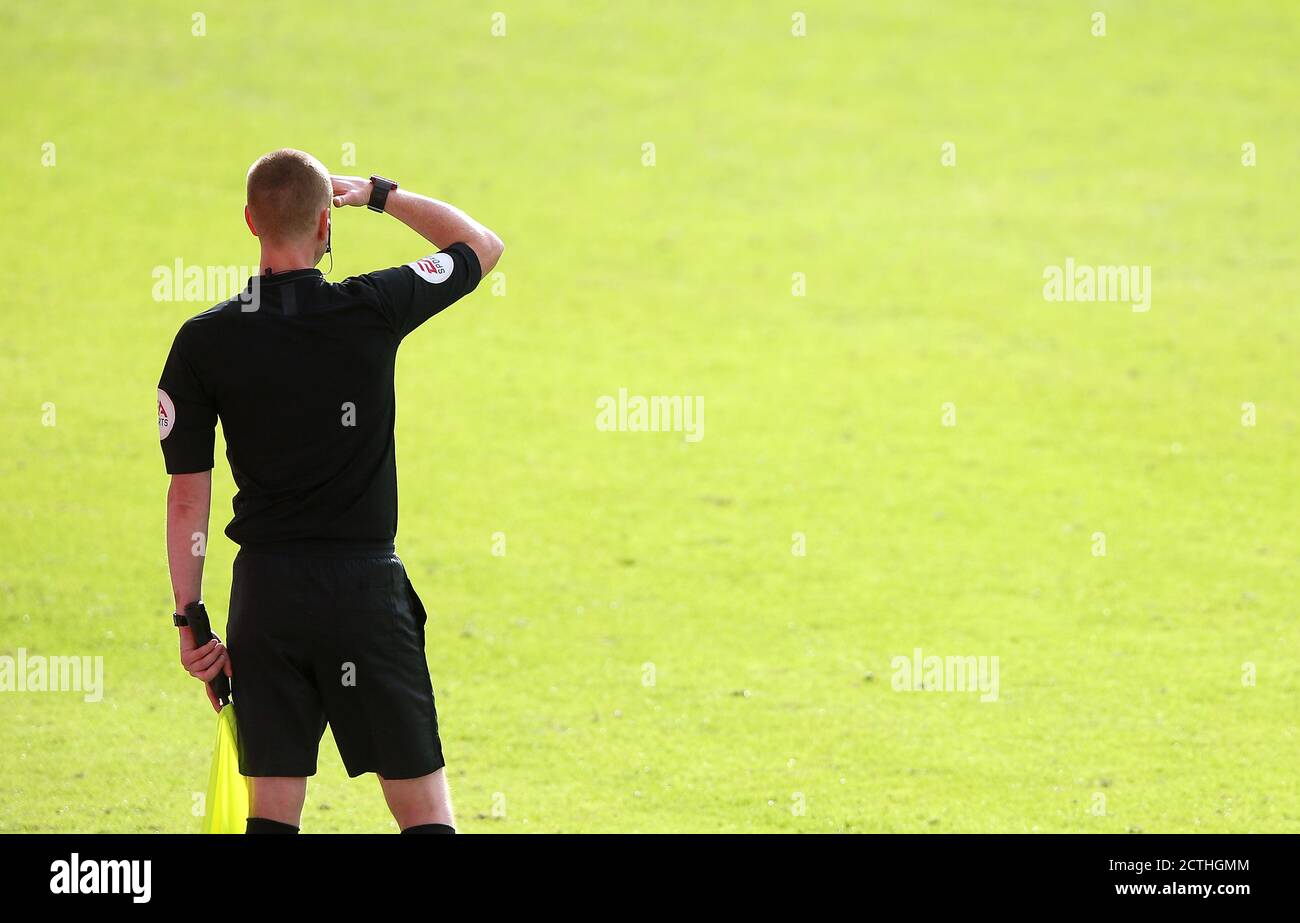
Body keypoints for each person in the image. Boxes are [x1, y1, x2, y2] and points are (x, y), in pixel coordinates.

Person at [158, 149, 503, 833]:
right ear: (324, 224)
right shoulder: (371, 306)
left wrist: (190, 619)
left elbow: (186, 500)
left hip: (268, 596)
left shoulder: (202, 342)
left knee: (273, 816)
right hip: (365, 595)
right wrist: (379, 195)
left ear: (250, 221)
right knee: (426, 815)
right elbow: (480, 246)